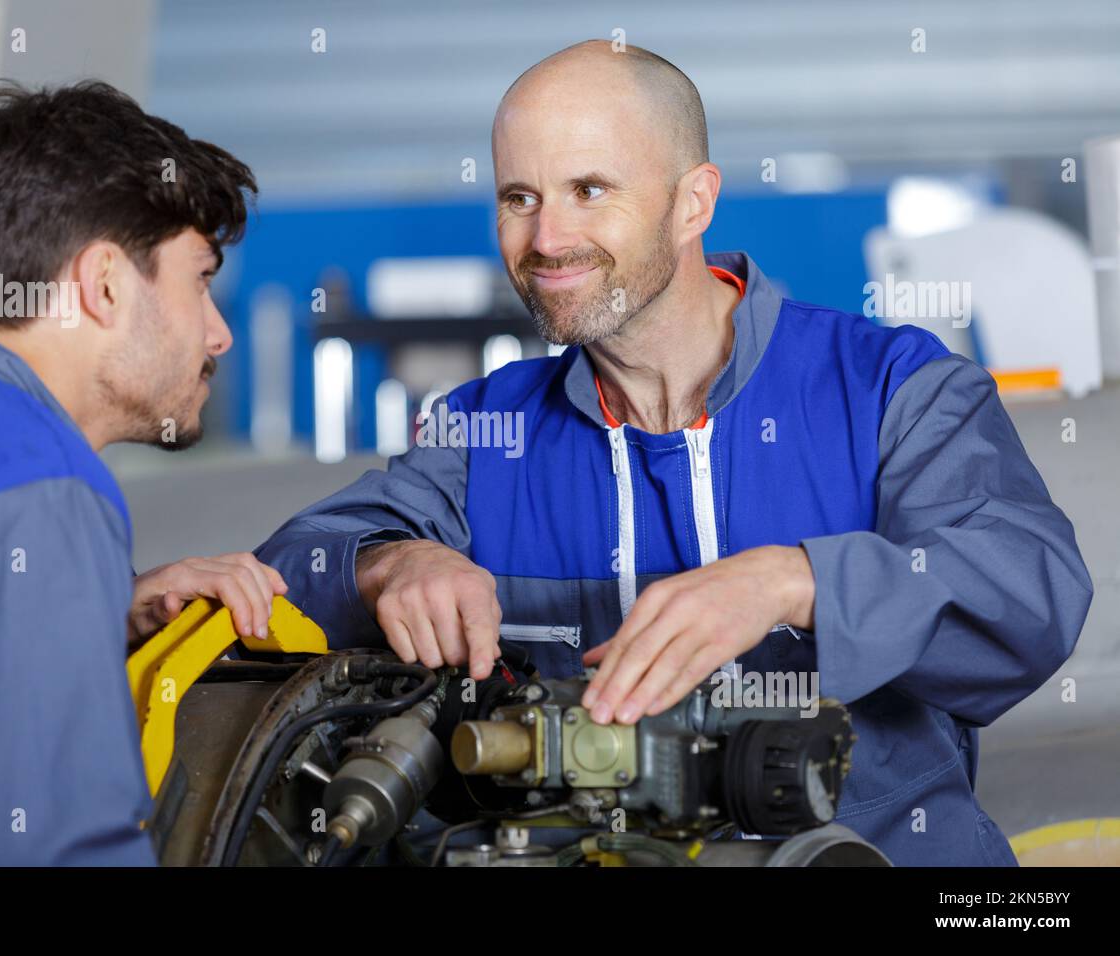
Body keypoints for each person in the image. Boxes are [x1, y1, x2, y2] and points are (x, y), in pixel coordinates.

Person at [254, 41, 1093, 866]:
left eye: (589, 189)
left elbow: (1032, 591)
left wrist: (792, 582)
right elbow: (290, 569)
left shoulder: (891, 389)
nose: (547, 237)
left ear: (693, 203)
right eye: (519, 197)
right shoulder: (485, 430)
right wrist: (385, 565)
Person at [0, 81, 284, 865]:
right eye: (201, 280)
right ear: (104, 283)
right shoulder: (30, 482)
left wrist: (88, 615)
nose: (218, 333)